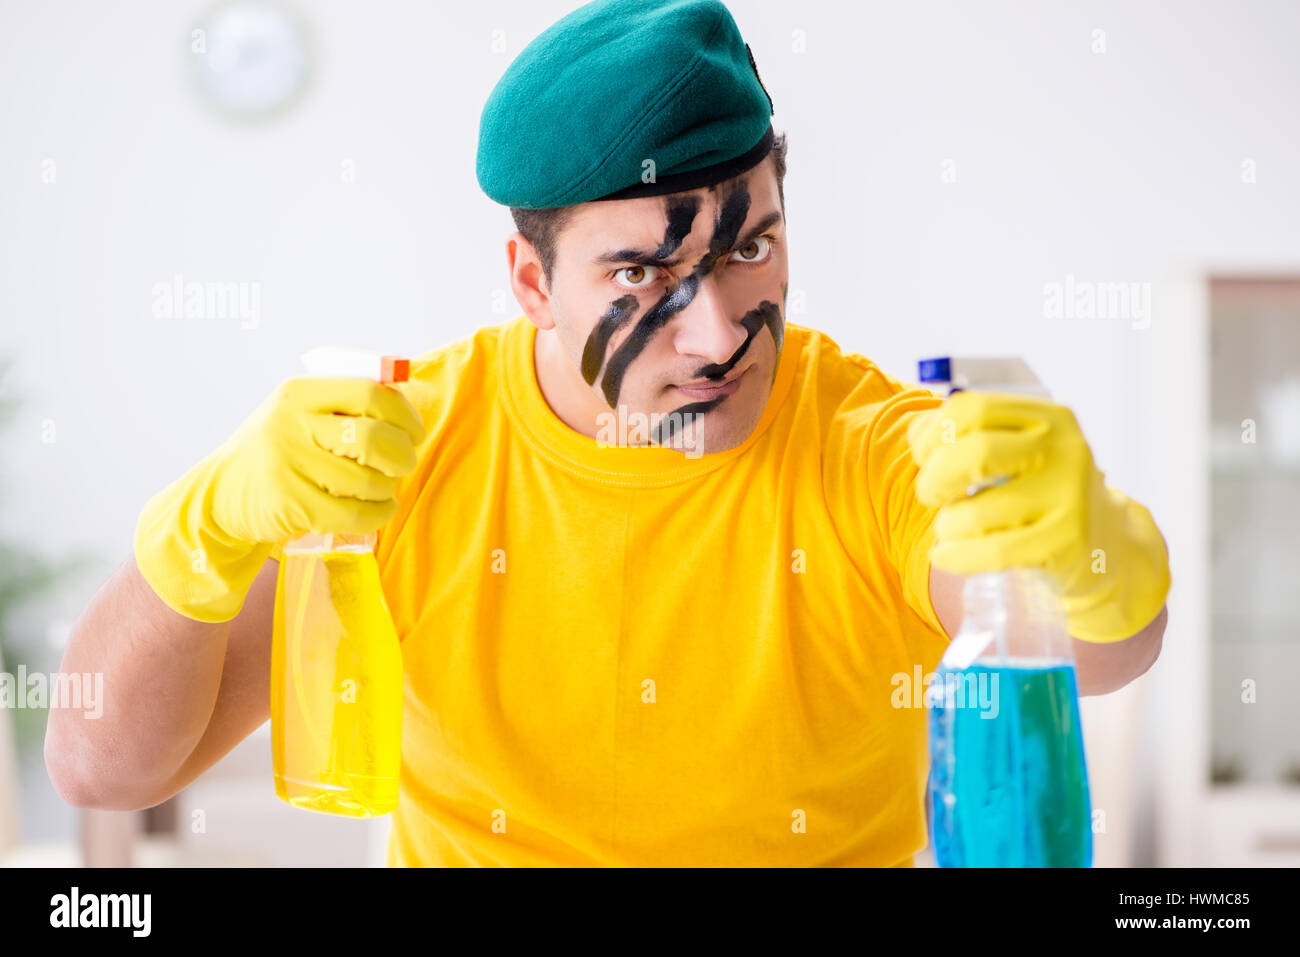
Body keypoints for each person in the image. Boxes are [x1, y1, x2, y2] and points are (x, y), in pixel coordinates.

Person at [46, 0, 1170, 866]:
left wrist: (1091, 551)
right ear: (530, 281)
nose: (720, 331)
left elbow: (1108, 656)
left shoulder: (873, 441)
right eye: (643, 272)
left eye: (748, 248)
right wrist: (203, 528)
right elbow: (101, 769)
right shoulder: (399, 451)